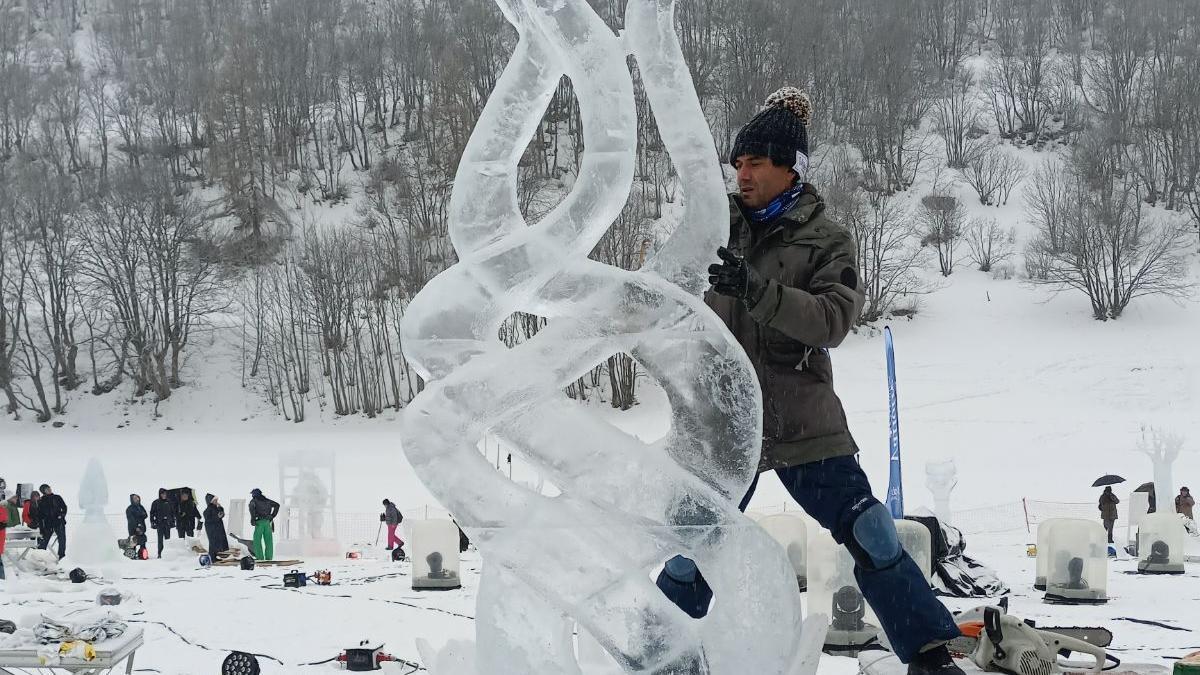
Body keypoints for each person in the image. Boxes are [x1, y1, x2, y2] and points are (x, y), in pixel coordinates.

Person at [656, 87, 961, 675]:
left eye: (755, 163)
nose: (741, 173)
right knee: (688, 549)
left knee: (872, 529)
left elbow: (832, 321)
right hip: (724, 424)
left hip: (802, 416)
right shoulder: (713, 224)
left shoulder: (827, 239)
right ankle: (660, 656)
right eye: (738, 163)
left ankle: (928, 653)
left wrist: (758, 291)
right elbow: (669, 292)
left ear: (789, 167)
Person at [35, 484, 67, 559]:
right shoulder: (41, 500)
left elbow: (64, 507)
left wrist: (62, 515)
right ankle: (39, 558)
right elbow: (39, 516)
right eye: (46, 489)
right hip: (48, 524)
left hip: (59, 522)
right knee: (44, 542)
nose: (49, 489)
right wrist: (41, 529)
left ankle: (61, 557)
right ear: (43, 491)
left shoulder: (57, 497)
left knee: (62, 540)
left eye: (49, 488)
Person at [249, 489, 280, 561]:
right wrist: (272, 515)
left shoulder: (253, 501)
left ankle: (260, 557)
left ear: (254, 494)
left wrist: (253, 520)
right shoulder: (267, 501)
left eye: (252, 494)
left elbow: (252, 511)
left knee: (257, 540)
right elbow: (277, 505)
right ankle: (269, 558)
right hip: (267, 522)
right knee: (268, 540)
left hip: (259, 522)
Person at [149, 488, 176, 558]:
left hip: (167, 523)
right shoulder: (155, 503)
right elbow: (152, 513)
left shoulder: (169, 502)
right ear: (160, 494)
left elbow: (172, 513)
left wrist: (173, 521)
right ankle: (159, 554)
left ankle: (168, 553)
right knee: (160, 540)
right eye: (162, 494)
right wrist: (152, 522)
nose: (164, 495)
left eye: (165, 494)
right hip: (159, 524)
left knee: (168, 539)